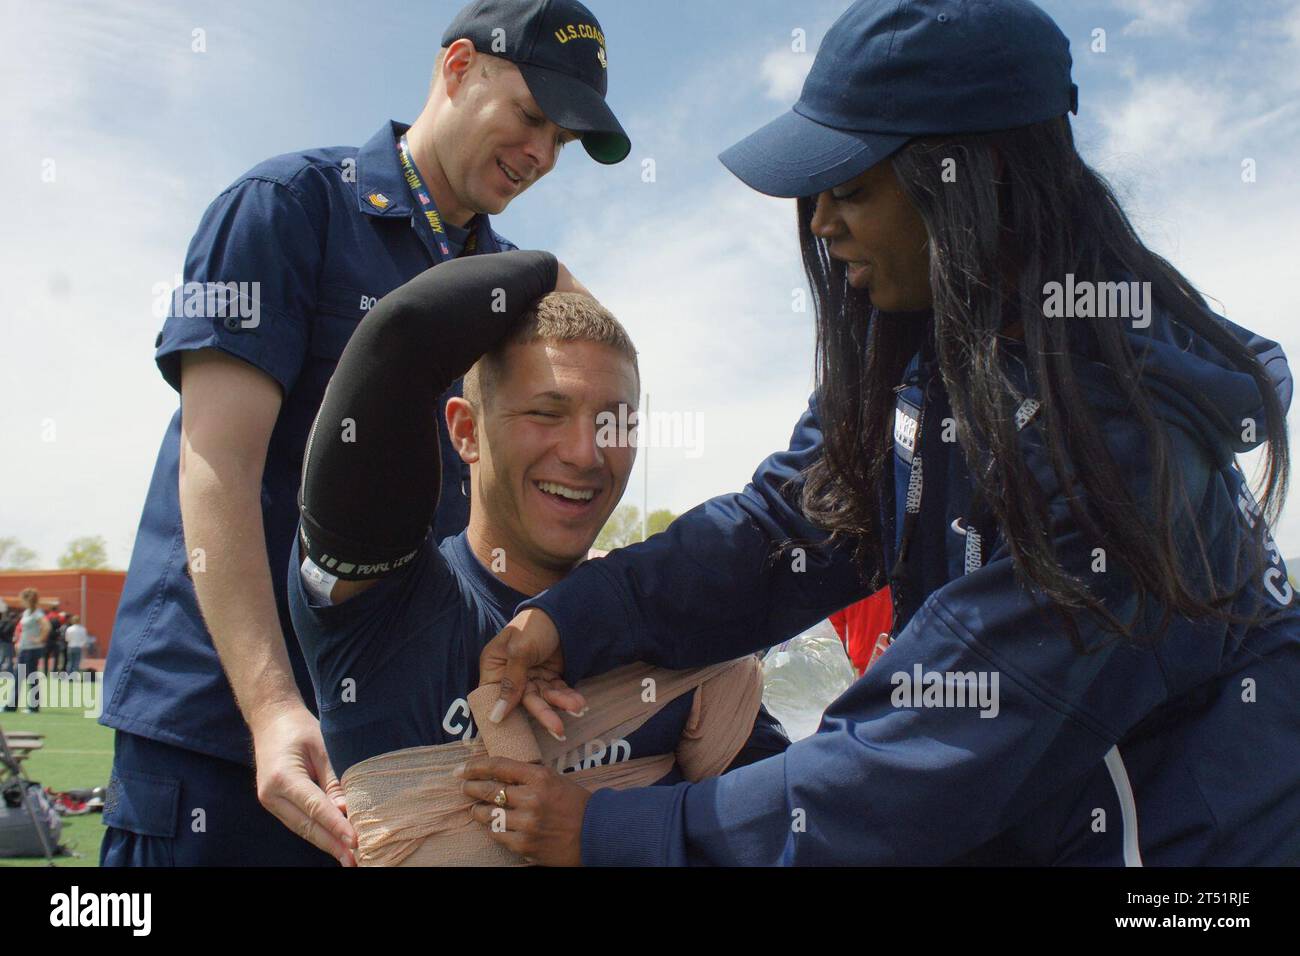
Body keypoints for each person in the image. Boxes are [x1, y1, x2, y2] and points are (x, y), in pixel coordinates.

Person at [461, 0, 1300, 865]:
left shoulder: (1124, 443)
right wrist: (575, 618)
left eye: (852, 186)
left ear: (976, 178)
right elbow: (785, 526)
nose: (821, 222)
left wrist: (608, 834)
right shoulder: (920, 345)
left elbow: (923, 761)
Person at [99, 0, 630, 867]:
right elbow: (217, 463)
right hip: (220, 735)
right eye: (532, 116)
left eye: (562, 143)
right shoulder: (282, 206)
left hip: (394, 748)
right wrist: (270, 708)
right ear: (457, 67)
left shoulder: (516, 291)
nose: (540, 155)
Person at [287, 252, 788, 856]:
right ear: (466, 432)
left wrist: (604, 827)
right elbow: (401, 335)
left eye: (614, 423)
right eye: (546, 413)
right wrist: (551, 272)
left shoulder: (673, 628)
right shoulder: (382, 604)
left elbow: (783, 829)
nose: (585, 453)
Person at [15, 589, 49, 713]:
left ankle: (34, 707)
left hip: (32, 650)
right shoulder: (26, 613)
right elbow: (23, 630)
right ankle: (11, 706)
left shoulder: (37, 613)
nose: (21, 602)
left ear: (27, 599)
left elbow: (46, 626)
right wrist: (19, 642)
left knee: (31, 677)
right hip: (24, 649)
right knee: (18, 676)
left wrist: (39, 639)